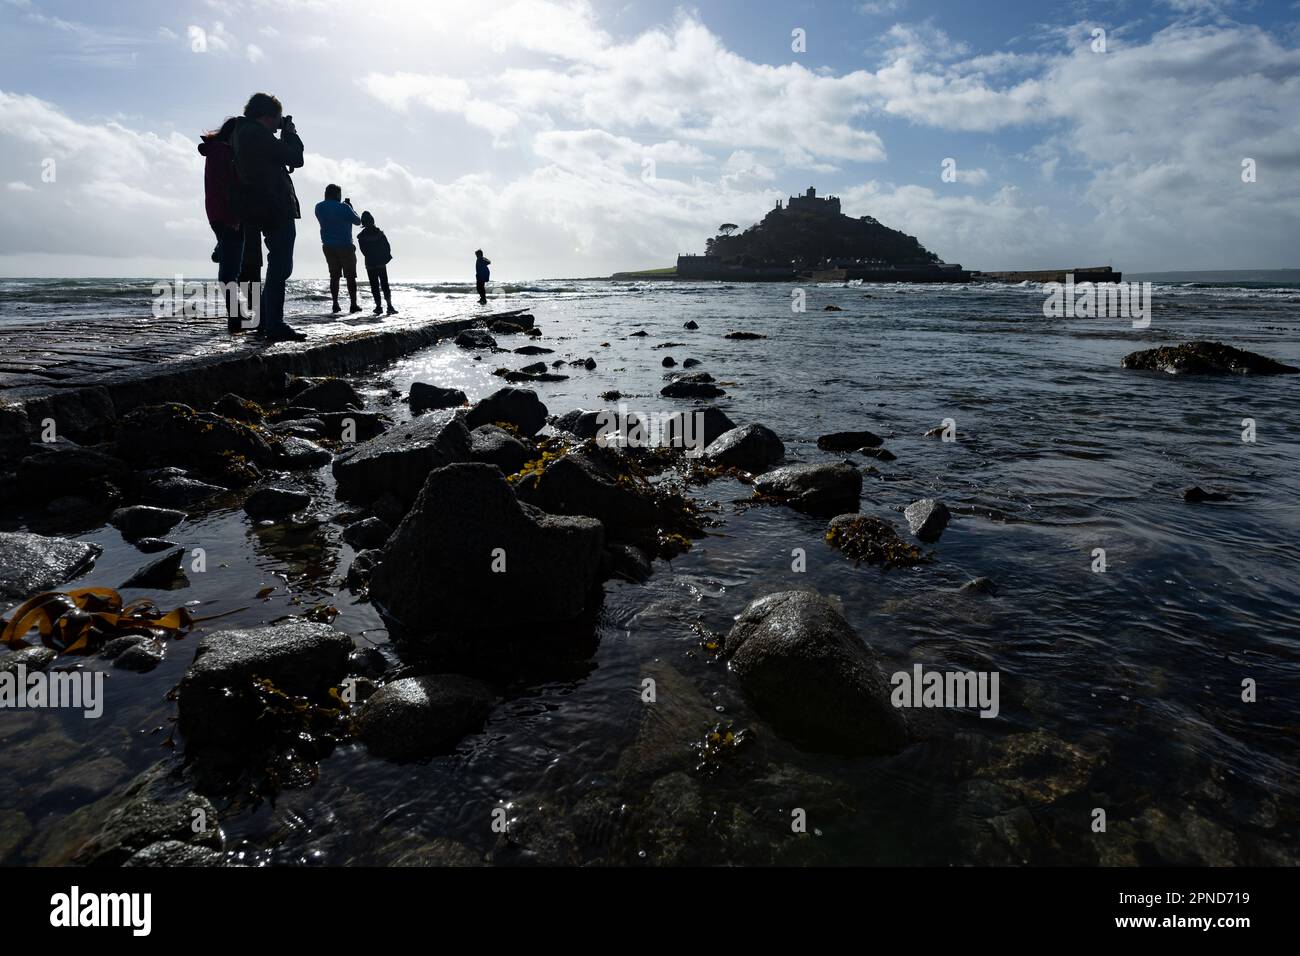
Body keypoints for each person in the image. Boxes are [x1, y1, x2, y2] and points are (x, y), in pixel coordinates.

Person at [231, 92, 307, 342]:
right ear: (268, 115)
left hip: (258, 207)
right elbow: (295, 156)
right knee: (281, 266)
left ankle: (265, 320)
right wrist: (291, 133)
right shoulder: (256, 134)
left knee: (270, 265)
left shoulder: (243, 133)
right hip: (273, 207)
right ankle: (274, 323)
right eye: (278, 118)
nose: (279, 123)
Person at [198, 117, 244, 332]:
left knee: (231, 267)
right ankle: (235, 319)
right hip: (227, 216)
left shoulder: (216, 150)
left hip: (217, 214)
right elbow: (229, 187)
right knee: (229, 272)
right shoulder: (224, 153)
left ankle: (238, 315)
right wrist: (234, 218)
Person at [314, 185, 363, 314]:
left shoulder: (319, 207)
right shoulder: (344, 207)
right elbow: (358, 221)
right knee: (350, 277)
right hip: (345, 245)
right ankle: (353, 304)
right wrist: (351, 209)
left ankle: (335, 303)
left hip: (328, 245)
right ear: (337, 194)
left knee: (334, 276)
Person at [357, 211, 397, 316]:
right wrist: (385, 258)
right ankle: (389, 306)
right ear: (372, 220)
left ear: (363, 223)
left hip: (370, 263)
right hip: (380, 262)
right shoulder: (380, 234)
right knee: (384, 284)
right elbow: (387, 247)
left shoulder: (361, 237)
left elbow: (363, 251)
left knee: (374, 285)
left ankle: (378, 307)